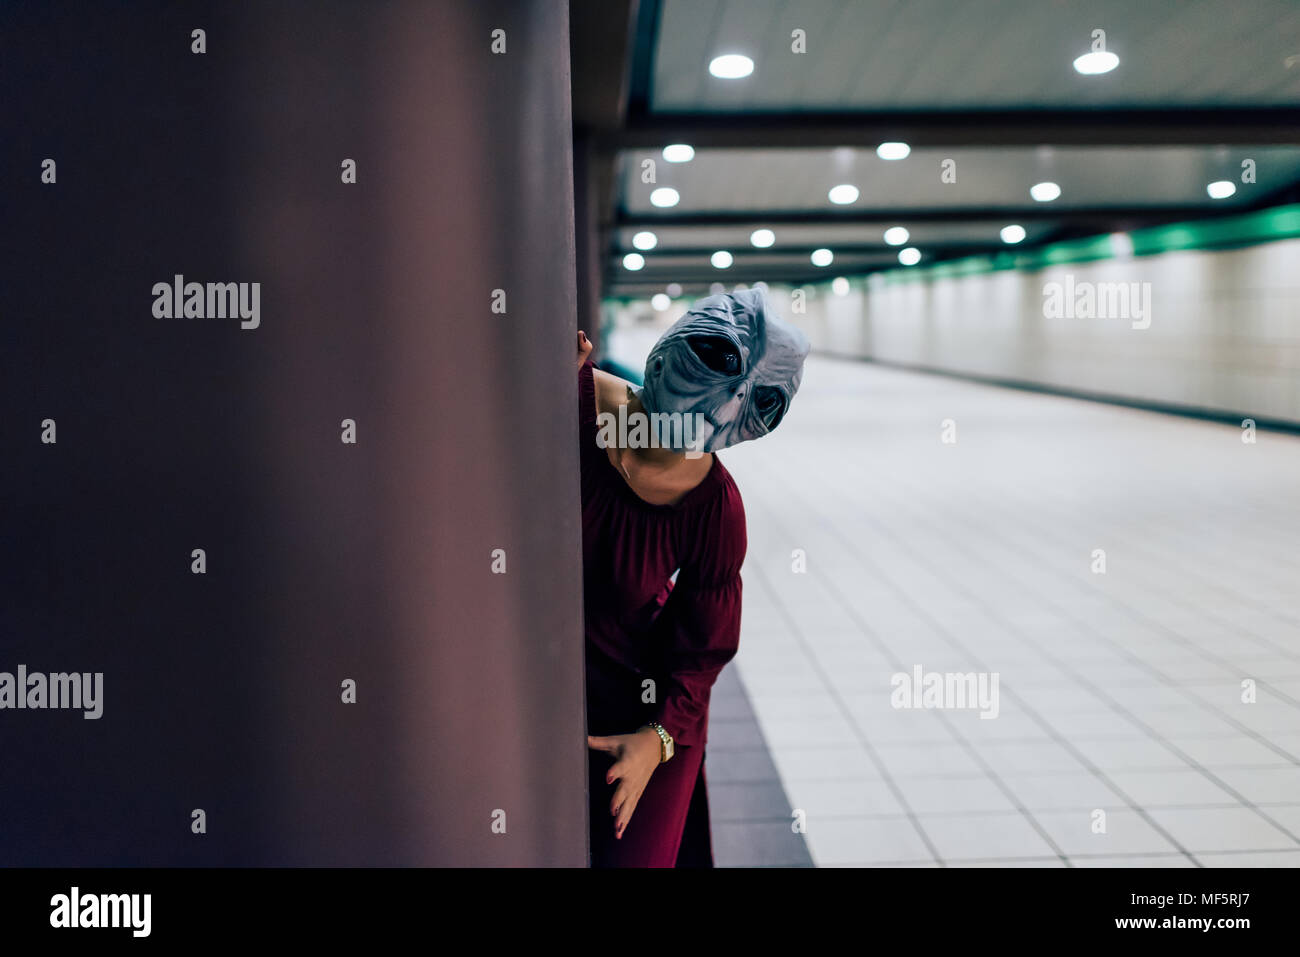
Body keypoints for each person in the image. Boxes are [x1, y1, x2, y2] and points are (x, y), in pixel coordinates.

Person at [577, 287, 809, 867]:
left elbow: (701, 653)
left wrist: (657, 741)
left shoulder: (714, 509)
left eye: (759, 402)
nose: (724, 408)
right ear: (662, 355)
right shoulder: (571, 393)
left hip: (644, 706)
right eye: (717, 363)